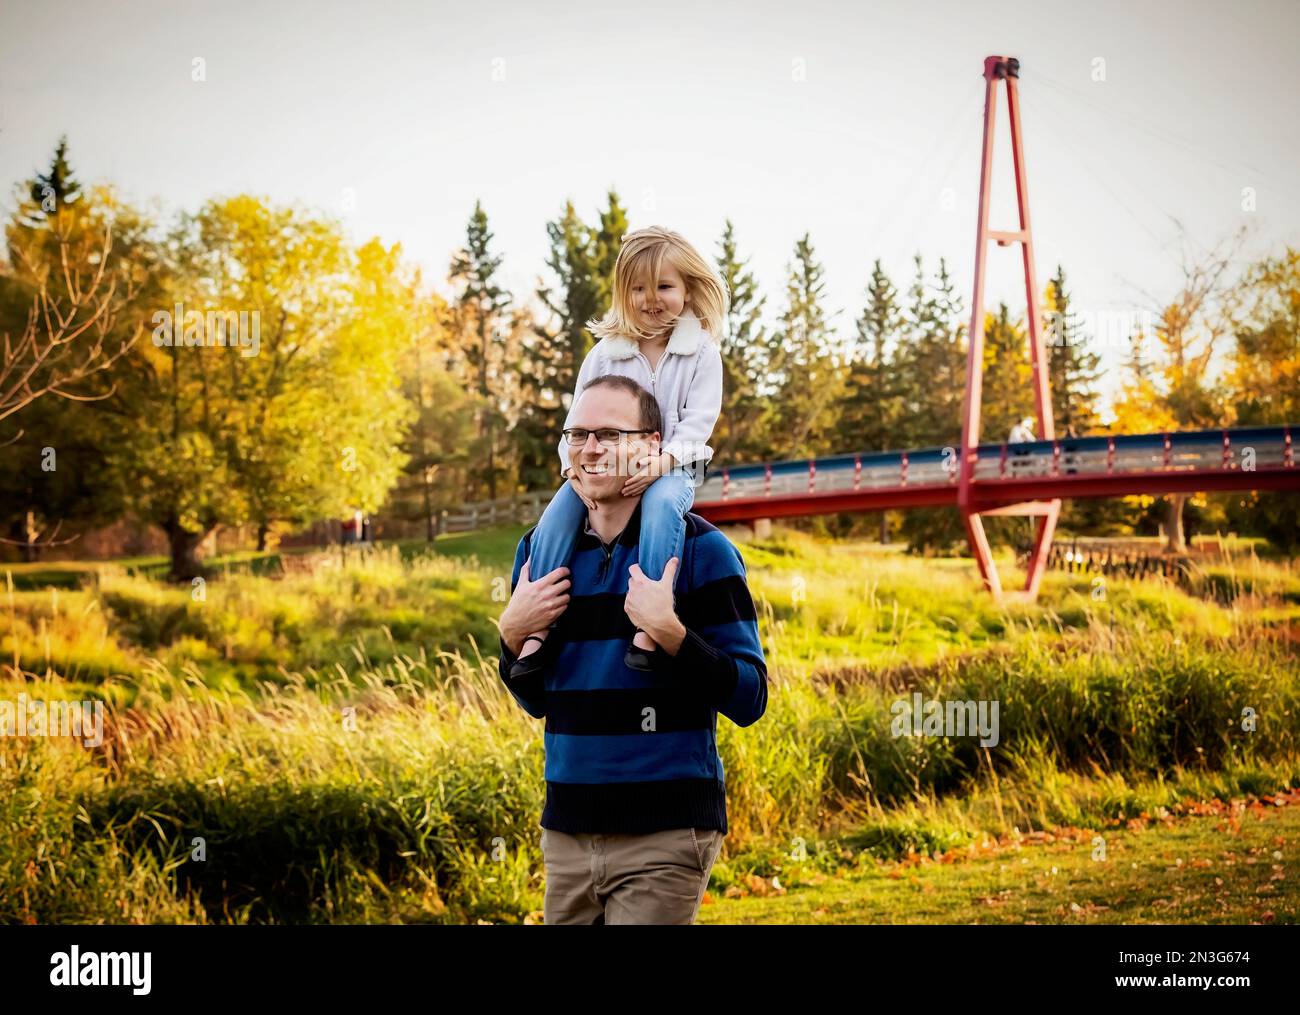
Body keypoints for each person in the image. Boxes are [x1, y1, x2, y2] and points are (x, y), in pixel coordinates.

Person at [496, 375, 767, 924]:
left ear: (652, 446)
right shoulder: (540, 552)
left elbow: (749, 697)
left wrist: (670, 634)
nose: (589, 448)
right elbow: (539, 700)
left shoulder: (702, 551)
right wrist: (510, 636)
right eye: (578, 434)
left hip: (664, 831)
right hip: (567, 830)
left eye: (609, 435)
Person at [508, 226, 727, 679]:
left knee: (663, 504)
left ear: (687, 291)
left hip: (672, 464)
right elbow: (578, 414)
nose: (651, 298)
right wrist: (572, 469)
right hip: (600, 467)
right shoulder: (607, 354)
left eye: (664, 286)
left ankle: (649, 617)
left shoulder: (700, 352)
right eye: (638, 288)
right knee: (554, 519)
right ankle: (538, 629)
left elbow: (699, 423)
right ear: (623, 294)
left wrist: (661, 464)